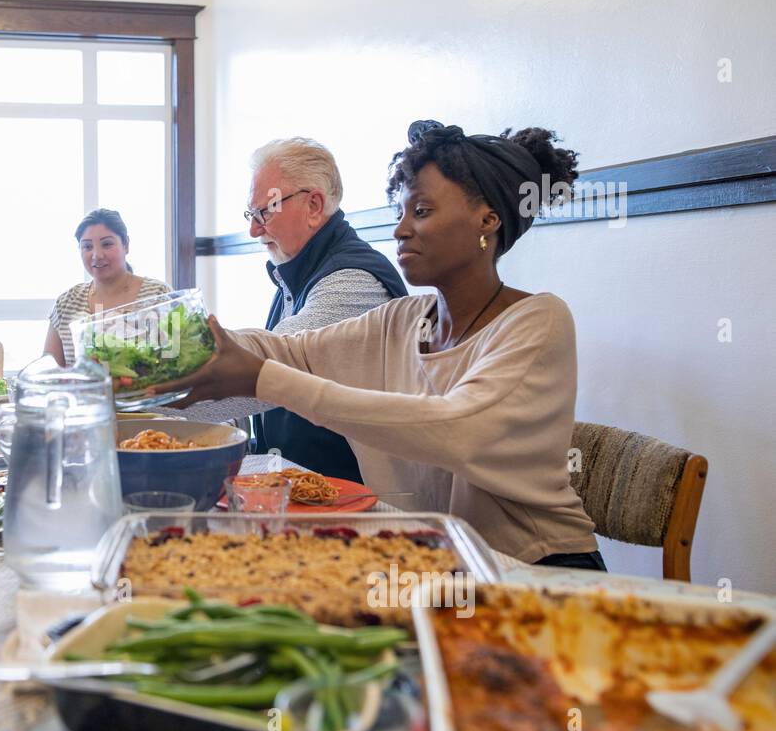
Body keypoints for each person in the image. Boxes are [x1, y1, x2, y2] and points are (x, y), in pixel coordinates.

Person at [151, 120, 602, 569]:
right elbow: (292, 351)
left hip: (538, 569)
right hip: (443, 560)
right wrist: (167, 353)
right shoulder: (402, 320)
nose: (401, 230)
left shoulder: (537, 320)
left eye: (421, 212)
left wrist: (261, 376)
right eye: (401, 213)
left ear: (488, 220)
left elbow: (454, 431)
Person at [244, 138, 406, 482]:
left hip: (349, 498)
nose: (253, 229)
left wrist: (152, 387)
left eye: (264, 211)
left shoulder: (353, 282)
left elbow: (262, 373)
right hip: (304, 484)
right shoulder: (297, 269)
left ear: (314, 206)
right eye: (251, 214)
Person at [44, 208, 170, 367]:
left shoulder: (159, 295)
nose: (97, 255)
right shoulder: (66, 303)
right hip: (82, 392)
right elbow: (50, 372)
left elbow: (176, 364)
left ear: (126, 245)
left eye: (107, 244)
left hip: (151, 392)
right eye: (87, 247)